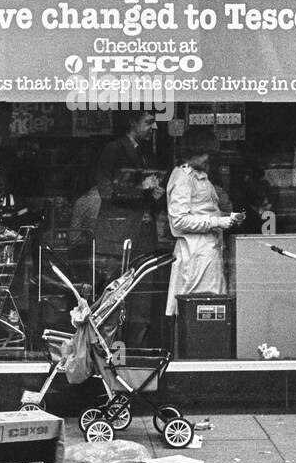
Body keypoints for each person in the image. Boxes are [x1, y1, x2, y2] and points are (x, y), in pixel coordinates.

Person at [94, 110, 164, 345]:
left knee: (142, 304)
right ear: (132, 122)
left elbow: (150, 192)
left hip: (143, 237)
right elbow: (106, 191)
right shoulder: (113, 150)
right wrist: (141, 187)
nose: (154, 127)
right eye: (149, 122)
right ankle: (107, 355)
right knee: (113, 302)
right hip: (118, 239)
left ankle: (134, 356)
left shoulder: (148, 153)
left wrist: (155, 194)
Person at [165, 128, 244, 322]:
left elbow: (203, 210)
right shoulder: (183, 178)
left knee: (211, 306)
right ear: (193, 151)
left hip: (206, 250)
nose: (209, 158)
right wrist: (218, 221)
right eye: (205, 153)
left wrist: (227, 217)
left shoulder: (198, 175)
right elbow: (179, 220)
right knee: (199, 308)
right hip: (196, 252)